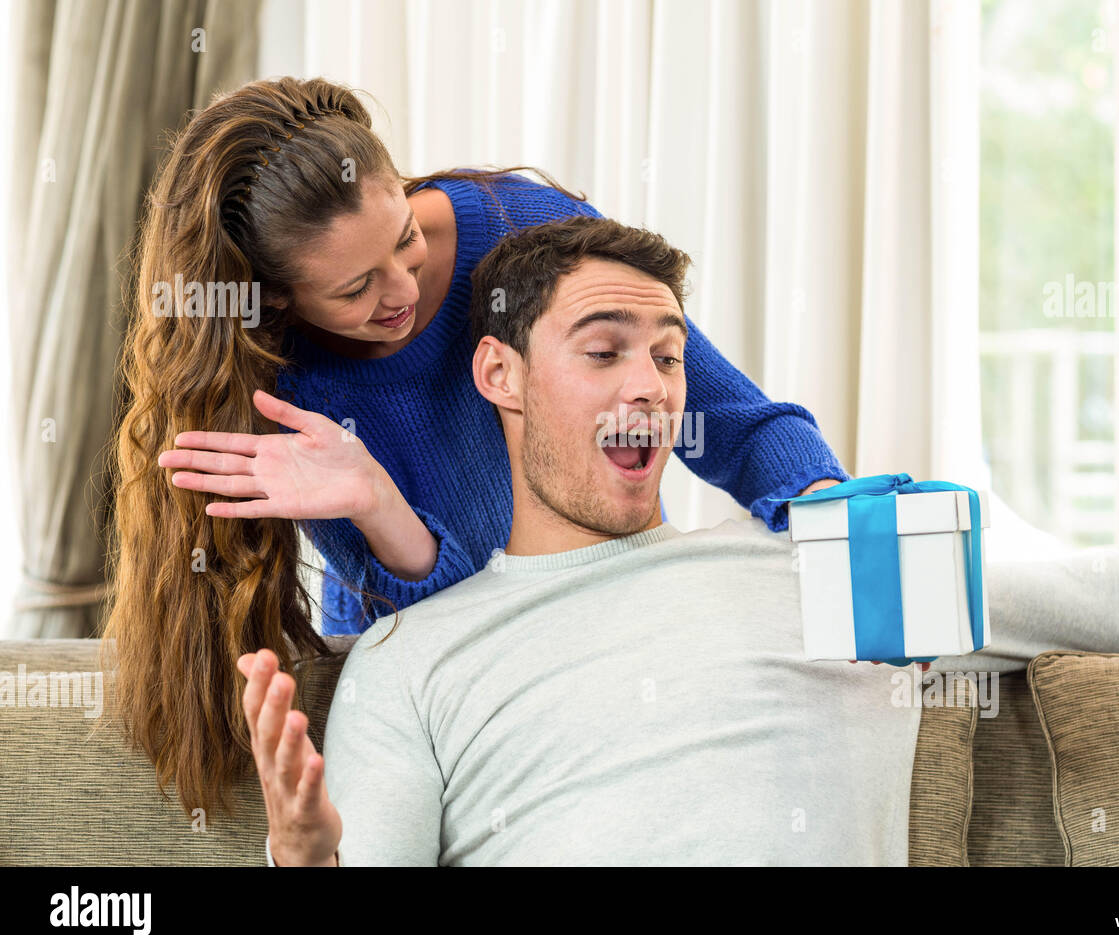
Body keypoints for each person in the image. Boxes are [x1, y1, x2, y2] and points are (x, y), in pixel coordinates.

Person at [238, 216, 1119, 865]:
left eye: (665, 354)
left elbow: (1092, 594)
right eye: (603, 350)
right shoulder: (411, 659)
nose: (648, 383)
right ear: (498, 377)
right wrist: (303, 856)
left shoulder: (820, 570)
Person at [105, 77, 847, 816]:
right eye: (357, 288)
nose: (400, 290)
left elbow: (734, 421)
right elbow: (441, 631)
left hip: (577, 613)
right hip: (426, 650)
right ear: (277, 300)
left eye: (406, 242)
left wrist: (839, 525)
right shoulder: (279, 380)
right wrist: (376, 503)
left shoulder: (514, 226)